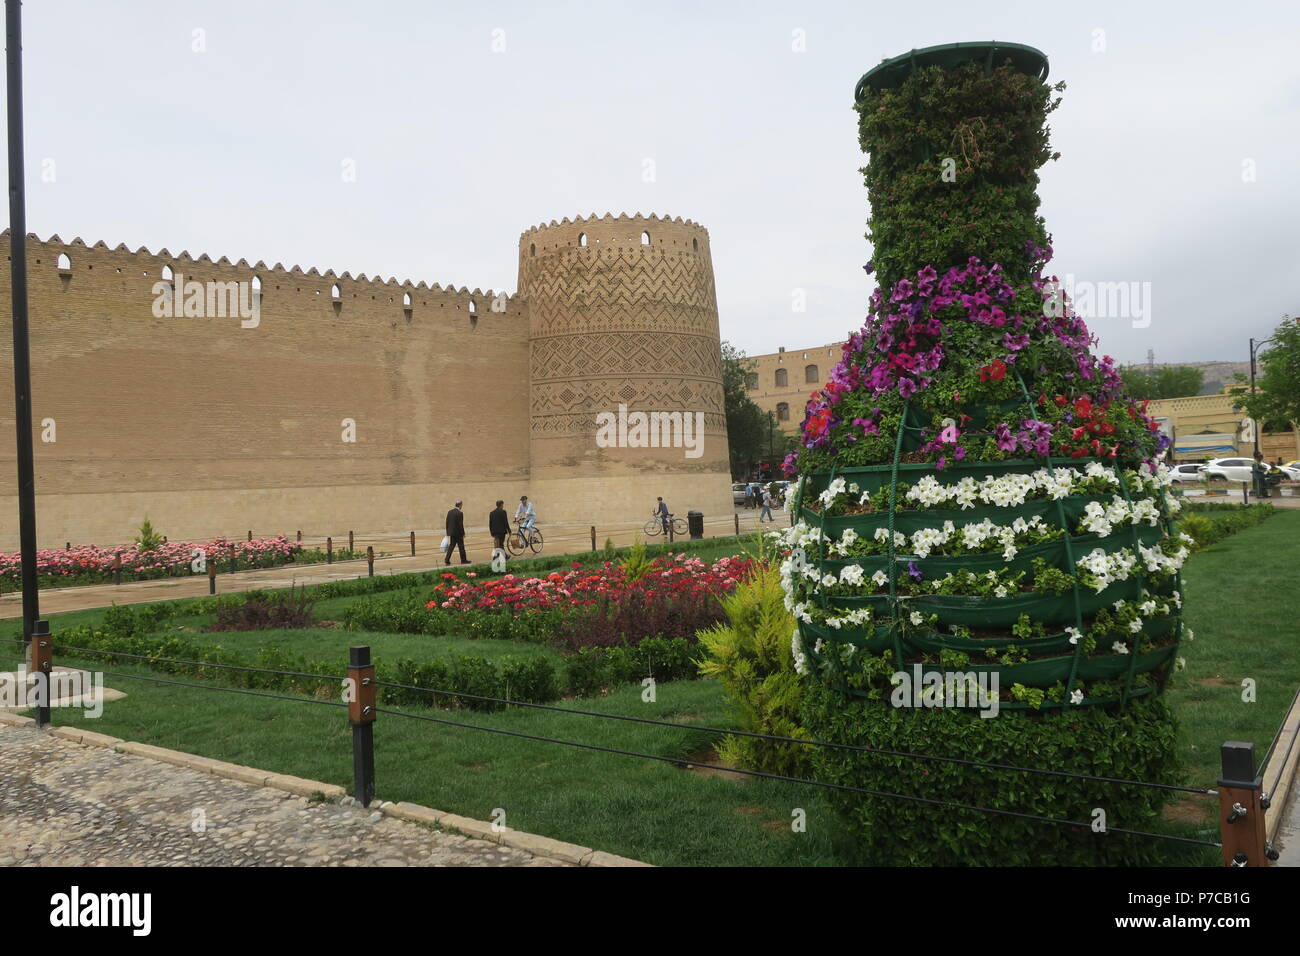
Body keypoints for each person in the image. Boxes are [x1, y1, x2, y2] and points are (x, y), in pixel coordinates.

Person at [444, 501, 468, 565]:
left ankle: (447, 560)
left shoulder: (450, 512)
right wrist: (463, 533)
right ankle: (463, 560)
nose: (462, 506)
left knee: (451, 546)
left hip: (452, 533)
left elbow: (447, 522)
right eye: (461, 505)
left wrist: (448, 532)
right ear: (460, 505)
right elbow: (460, 525)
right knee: (461, 547)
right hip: (458, 533)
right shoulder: (460, 513)